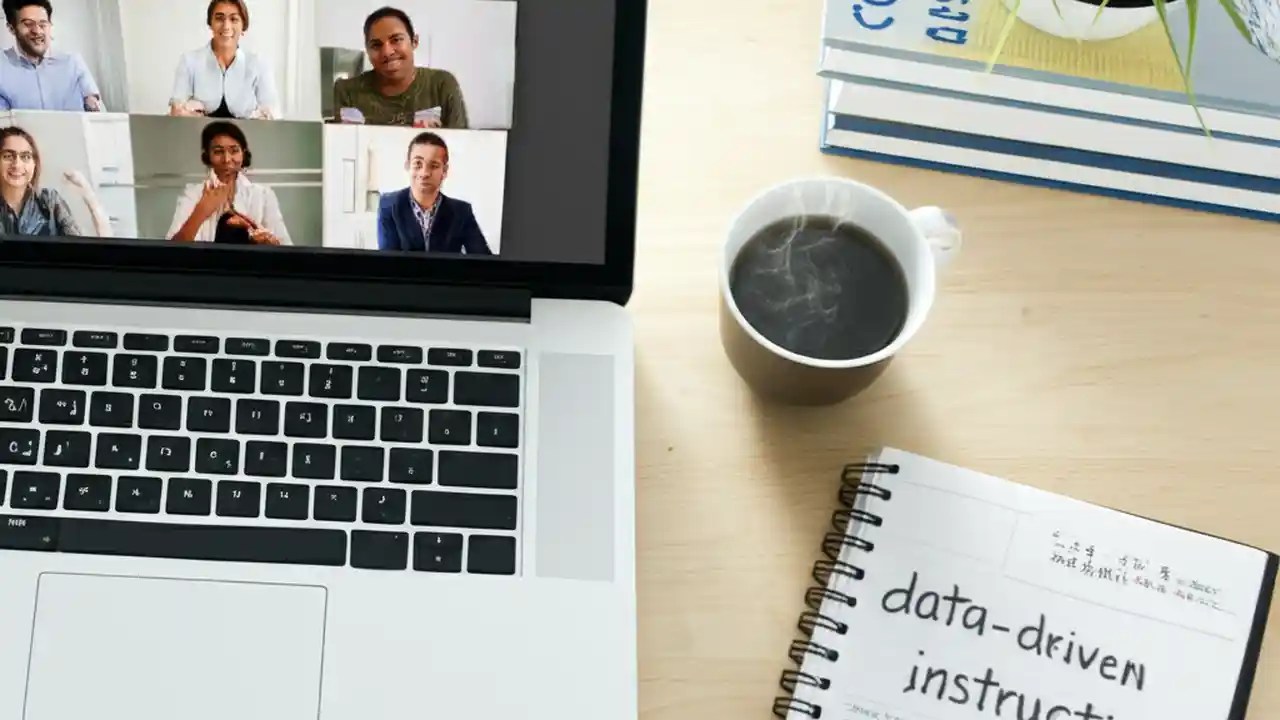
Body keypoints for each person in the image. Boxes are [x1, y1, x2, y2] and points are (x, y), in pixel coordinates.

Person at [333, 6, 469, 128]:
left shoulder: (441, 85)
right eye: (376, 45)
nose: (387, 52)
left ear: (414, 42)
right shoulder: (348, 91)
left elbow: (462, 146)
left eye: (396, 40)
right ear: (367, 50)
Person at [167, 120, 291, 245]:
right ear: (207, 156)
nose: (226, 159)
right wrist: (202, 211)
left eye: (234, 150)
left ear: (244, 153)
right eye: (218, 151)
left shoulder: (263, 195)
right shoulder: (193, 194)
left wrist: (267, 243)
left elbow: (287, 250)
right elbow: (172, 251)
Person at [377, 131, 490, 254]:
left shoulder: (462, 211)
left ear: (445, 171)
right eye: (418, 164)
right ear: (408, 166)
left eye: (434, 165)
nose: (425, 173)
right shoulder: (388, 205)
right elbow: (388, 262)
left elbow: (483, 259)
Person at [169, 0, 279, 119]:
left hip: (247, 136)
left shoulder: (259, 64)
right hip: (199, 135)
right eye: (219, 18)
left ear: (243, 26)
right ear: (210, 23)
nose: (226, 26)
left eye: (234, 19)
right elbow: (177, 111)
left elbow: (272, 115)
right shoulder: (189, 61)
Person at [0, 126, 112, 238]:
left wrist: (88, 194)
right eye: (8, 156)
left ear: (35, 163)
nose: (17, 165)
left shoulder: (49, 201)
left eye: (25, 157)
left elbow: (77, 246)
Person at [0, 0, 103, 112]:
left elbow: (98, 117)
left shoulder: (74, 64)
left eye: (43, 24)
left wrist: (92, 103)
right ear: (11, 28)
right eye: (28, 24)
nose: (37, 31)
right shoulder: (2, 67)